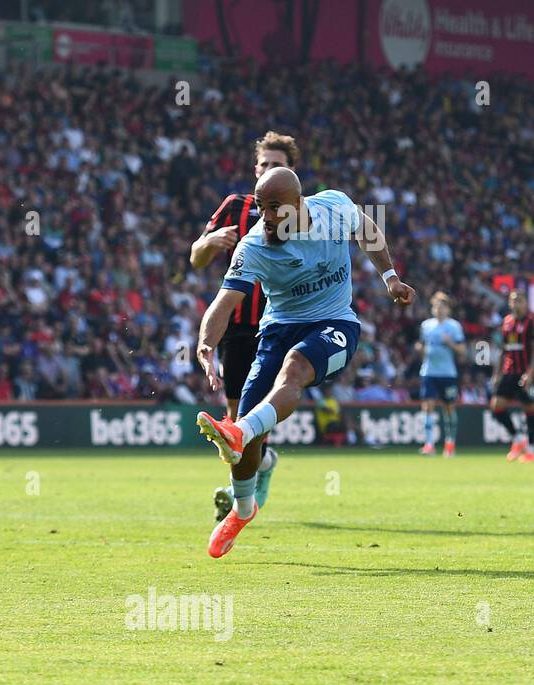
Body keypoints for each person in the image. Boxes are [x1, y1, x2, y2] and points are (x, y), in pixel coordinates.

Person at [194, 167, 415, 558]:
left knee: (295, 368)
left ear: (298, 204)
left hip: (336, 325)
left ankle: (239, 431)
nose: (266, 216)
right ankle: (243, 509)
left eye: (275, 207)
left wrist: (390, 278)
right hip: (278, 331)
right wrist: (206, 345)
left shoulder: (334, 207)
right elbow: (223, 304)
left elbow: (368, 231)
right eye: (261, 206)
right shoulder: (254, 247)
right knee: (250, 439)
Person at [189, 131, 299, 521]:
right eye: (265, 164)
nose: (270, 170)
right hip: (237, 327)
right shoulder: (234, 206)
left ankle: (244, 497)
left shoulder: (301, 216)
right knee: (237, 424)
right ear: (256, 169)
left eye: (278, 166)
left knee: (251, 420)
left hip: (280, 326)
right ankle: (264, 464)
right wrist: (211, 240)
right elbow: (195, 258)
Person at [415, 292, 466, 456]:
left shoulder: (454, 326)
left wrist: (449, 343)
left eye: (442, 307)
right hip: (429, 371)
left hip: (447, 373)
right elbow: (421, 344)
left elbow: (463, 350)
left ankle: (450, 444)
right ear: (432, 308)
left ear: (448, 309)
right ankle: (429, 444)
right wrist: (419, 349)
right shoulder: (426, 325)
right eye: (436, 306)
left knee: (449, 408)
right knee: (428, 406)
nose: (439, 310)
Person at [489, 290, 534, 462]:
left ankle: (531, 449)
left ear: (525, 303)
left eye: (520, 300)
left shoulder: (531, 321)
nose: (516, 304)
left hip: (526, 372)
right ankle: (518, 440)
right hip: (509, 371)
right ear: (509, 303)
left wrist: (530, 375)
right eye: (513, 301)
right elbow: (503, 350)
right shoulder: (506, 322)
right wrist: (496, 374)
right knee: (496, 406)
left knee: (530, 409)